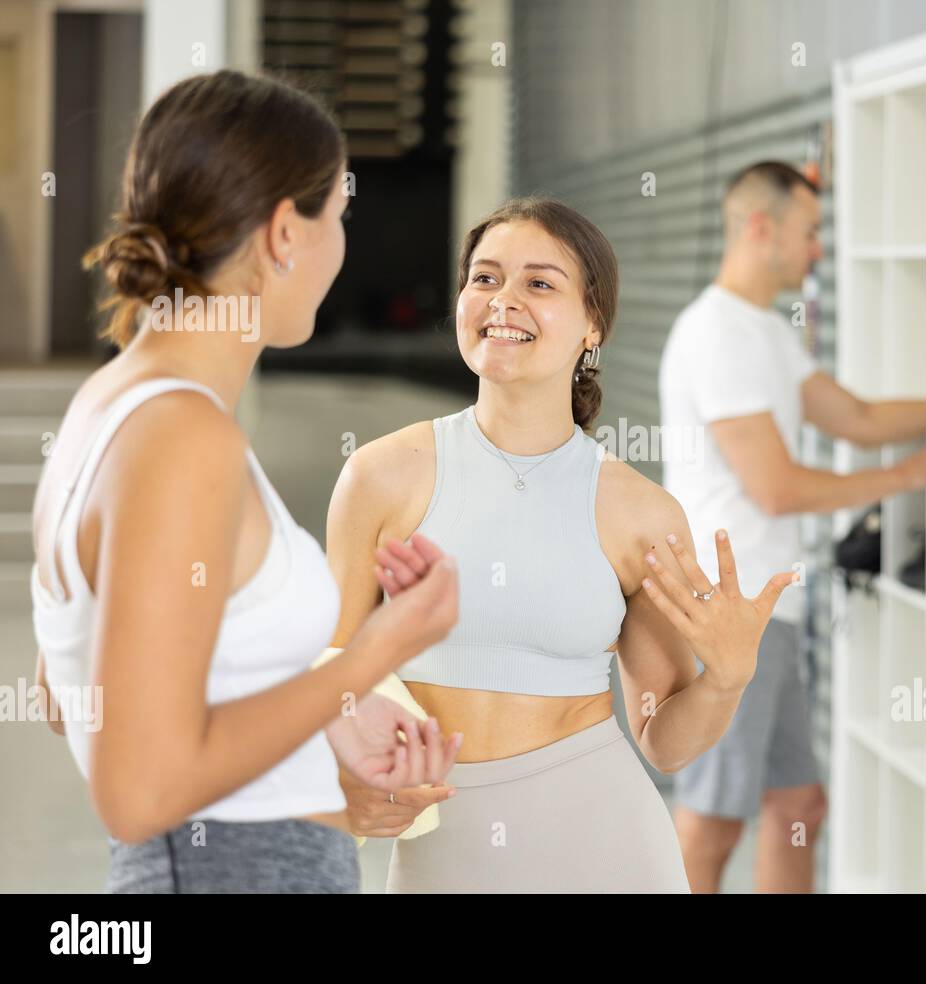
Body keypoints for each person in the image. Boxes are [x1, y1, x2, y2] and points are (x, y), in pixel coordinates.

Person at [28, 69, 461, 894]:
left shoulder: (120, 404)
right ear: (283, 234)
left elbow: (76, 689)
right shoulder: (182, 437)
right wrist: (374, 655)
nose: (342, 245)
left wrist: (320, 726)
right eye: (337, 216)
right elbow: (139, 790)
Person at [327, 197, 798, 892]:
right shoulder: (378, 475)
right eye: (485, 278)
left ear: (593, 325)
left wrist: (727, 678)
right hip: (438, 855)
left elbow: (663, 739)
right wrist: (342, 779)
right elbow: (328, 683)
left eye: (539, 284)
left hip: (604, 844)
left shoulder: (641, 513)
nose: (503, 300)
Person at [659, 160, 926, 892]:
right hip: (726, 614)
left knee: (798, 802)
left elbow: (858, 418)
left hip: (770, 612)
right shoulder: (717, 335)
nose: (818, 251)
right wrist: (909, 476)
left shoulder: (765, 333)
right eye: (810, 232)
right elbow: (776, 489)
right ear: (761, 228)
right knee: (710, 823)